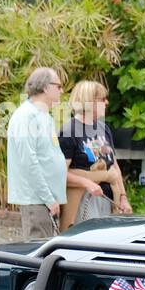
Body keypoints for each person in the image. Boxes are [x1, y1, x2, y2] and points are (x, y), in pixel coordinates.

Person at [58, 80, 131, 229]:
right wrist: (87, 183)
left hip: (109, 200)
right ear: (89, 101)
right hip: (83, 202)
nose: (107, 102)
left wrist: (123, 197)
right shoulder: (69, 132)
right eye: (102, 99)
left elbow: (114, 165)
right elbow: (59, 174)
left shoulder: (103, 128)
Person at [6, 67, 67, 238]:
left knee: (48, 255)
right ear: (46, 87)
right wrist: (48, 198)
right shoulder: (26, 116)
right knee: (38, 258)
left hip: (45, 200)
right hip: (36, 200)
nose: (62, 90)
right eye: (59, 86)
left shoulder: (43, 116)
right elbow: (28, 162)